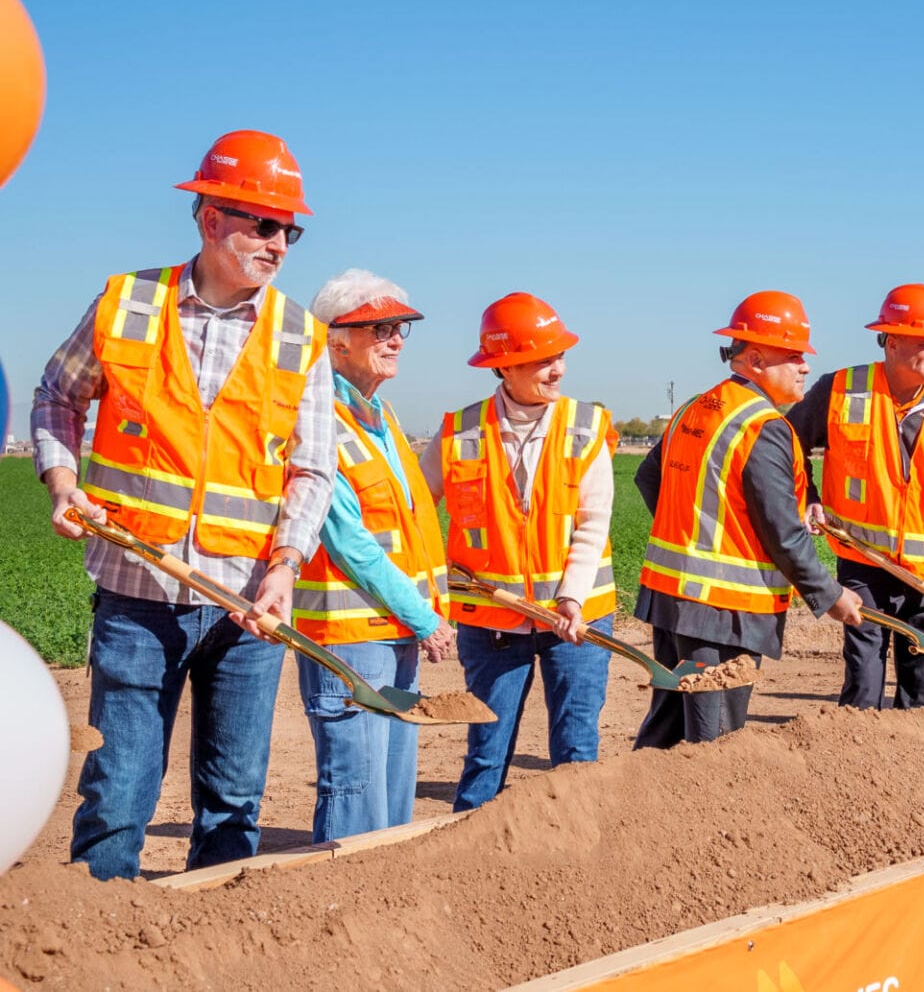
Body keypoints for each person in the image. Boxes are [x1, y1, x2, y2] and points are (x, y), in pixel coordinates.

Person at [31, 131, 334, 879]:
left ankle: (209, 951)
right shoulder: (127, 302)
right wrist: (62, 480)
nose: (279, 244)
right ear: (209, 220)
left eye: (288, 230)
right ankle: (96, 942)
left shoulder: (301, 336)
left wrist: (286, 566)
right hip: (137, 597)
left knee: (233, 801)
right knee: (117, 793)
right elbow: (55, 398)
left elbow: (313, 470)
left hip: (245, 607)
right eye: (263, 224)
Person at [633, 293, 863, 746]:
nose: (804, 366)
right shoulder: (762, 425)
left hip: (673, 598)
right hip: (724, 611)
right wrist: (829, 594)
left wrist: (695, 530)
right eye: (794, 355)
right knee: (714, 741)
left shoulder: (695, 409)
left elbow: (649, 479)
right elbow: (783, 532)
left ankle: (636, 816)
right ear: (755, 358)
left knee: (666, 727)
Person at [422, 292, 615, 810]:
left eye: (560, 356)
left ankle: (581, 854)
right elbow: (414, 518)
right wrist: (422, 604)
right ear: (503, 366)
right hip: (491, 624)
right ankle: (473, 852)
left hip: (577, 620)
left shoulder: (587, 425)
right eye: (542, 360)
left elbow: (594, 524)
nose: (558, 370)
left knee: (576, 750)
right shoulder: (458, 431)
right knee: (487, 751)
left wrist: (571, 599)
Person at [291, 270, 453, 842]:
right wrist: (423, 616)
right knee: (356, 788)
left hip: (396, 630)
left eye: (401, 328)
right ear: (335, 339)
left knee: (392, 786)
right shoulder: (319, 420)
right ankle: (336, 910)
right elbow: (348, 542)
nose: (395, 340)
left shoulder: (381, 419)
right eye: (379, 328)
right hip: (352, 636)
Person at [785, 284, 924, 709]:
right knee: (864, 679)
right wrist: (809, 494)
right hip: (863, 563)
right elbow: (786, 443)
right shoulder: (839, 389)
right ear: (892, 341)